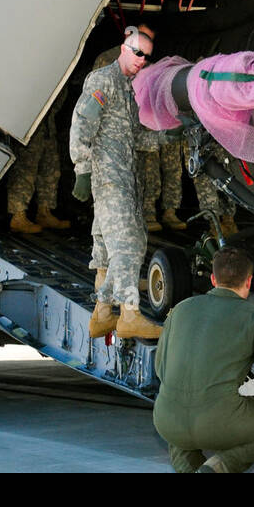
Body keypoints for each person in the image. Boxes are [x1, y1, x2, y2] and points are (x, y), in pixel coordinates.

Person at [153, 248, 254, 473]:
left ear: (213, 279)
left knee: (179, 421)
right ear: (249, 282)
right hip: (217, 421)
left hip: (165, 420)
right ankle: (219, 467)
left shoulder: (180, 309)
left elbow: (161, 367)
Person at [70, 28, 171, 340]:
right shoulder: (103, 81)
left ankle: (102, 314)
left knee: (110, 247)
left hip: (125, 178)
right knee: (128, 243)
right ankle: (129, 314)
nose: (142, 60)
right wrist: (82, 170)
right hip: (109, 179)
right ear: (124, 49)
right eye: (138, 52)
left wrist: (166, 136)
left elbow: (135, 136)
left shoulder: (127, 89)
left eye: (147, 56)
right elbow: (81, 124)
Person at [92, 24, 185, 233]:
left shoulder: (146, 64)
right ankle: (143, 215)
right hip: (116, 130)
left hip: (143, 127)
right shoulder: (106, 61)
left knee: (152, 171)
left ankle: (160, 212)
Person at [7, 84, 71, 233]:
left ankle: (44, 212)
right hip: (30, 124)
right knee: (26, 170)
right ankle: (18, 216)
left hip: (47, 124)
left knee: (51, 169)